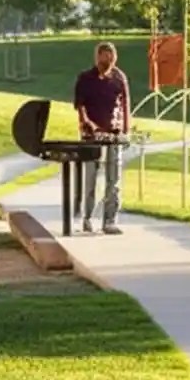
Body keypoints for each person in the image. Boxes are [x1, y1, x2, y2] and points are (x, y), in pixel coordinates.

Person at [73, 41, 131, 235]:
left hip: (114, 134)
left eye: (110, 57)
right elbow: (80, 106)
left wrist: (125, 130)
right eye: (103, 57)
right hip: (92, 135)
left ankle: (110, 220)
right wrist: (87, 124)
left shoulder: (119, 78)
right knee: (91, 177)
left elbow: (125, 106)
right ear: (96, 58)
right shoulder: (85, 79)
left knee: (113, 180)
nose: (107, 61)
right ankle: (87, 218)